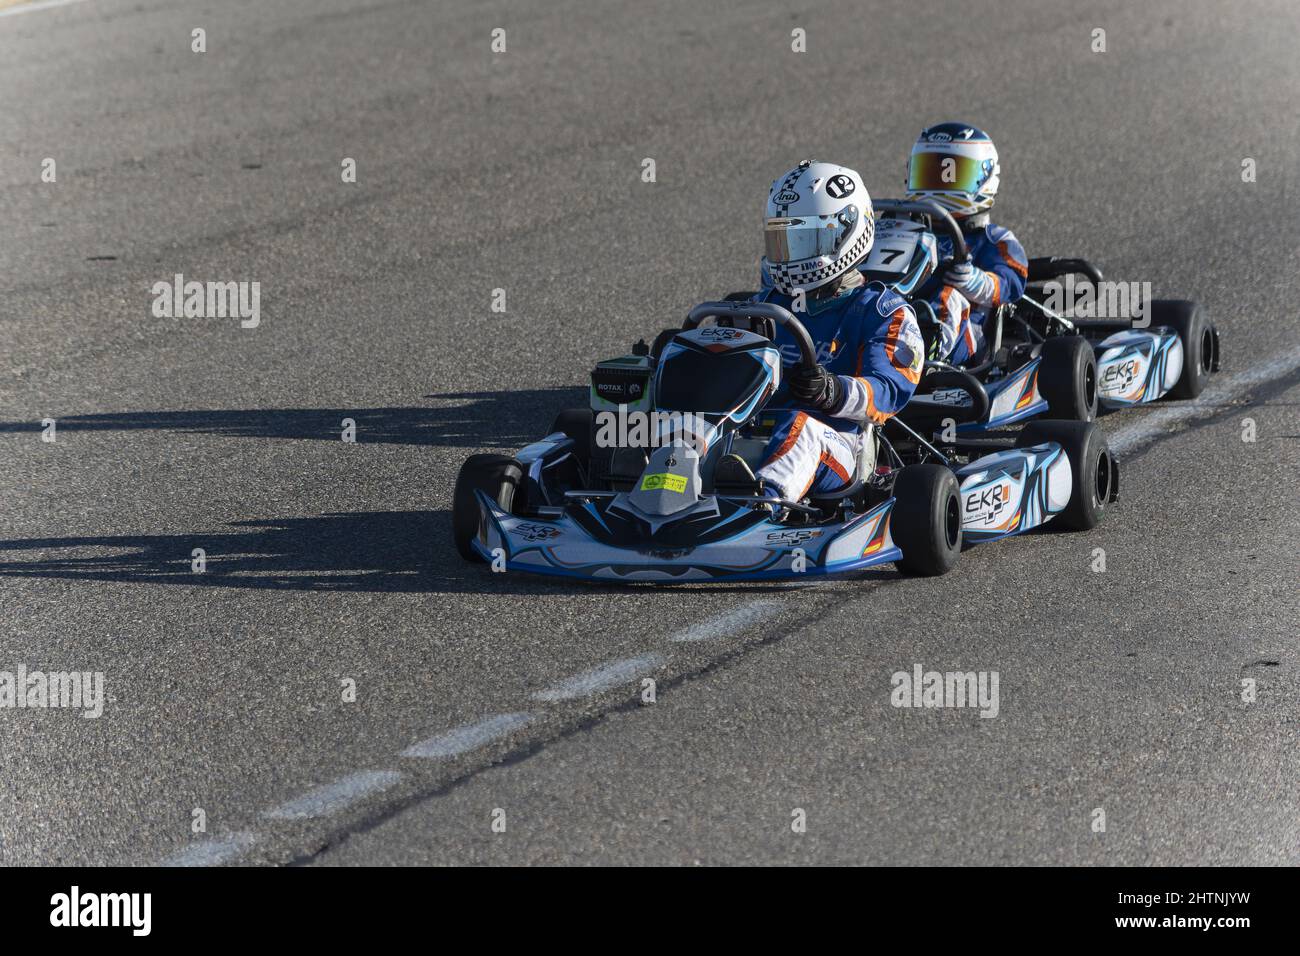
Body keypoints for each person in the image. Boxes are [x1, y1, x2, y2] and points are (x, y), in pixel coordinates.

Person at [723, 160, 925, 506]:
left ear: (845, 233)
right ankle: (657, 497)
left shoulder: (882, 312)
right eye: (783, 240)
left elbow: (889, 390)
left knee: (801, 428)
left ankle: (760, 507)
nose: (789, 254)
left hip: (839, 443)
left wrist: (834, 391)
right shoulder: (765, 306)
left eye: (802, 238)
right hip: (750, 432)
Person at [904, 123, 1029, 364]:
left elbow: (1013, 283)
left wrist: (976, 281)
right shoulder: (909, 231)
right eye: (930, 173)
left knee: (949, 297)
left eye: (949, 174)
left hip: (971, 330)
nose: (938, 186)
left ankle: (922, 357)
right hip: (907, 313)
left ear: (983, 177)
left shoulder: (994, 239)